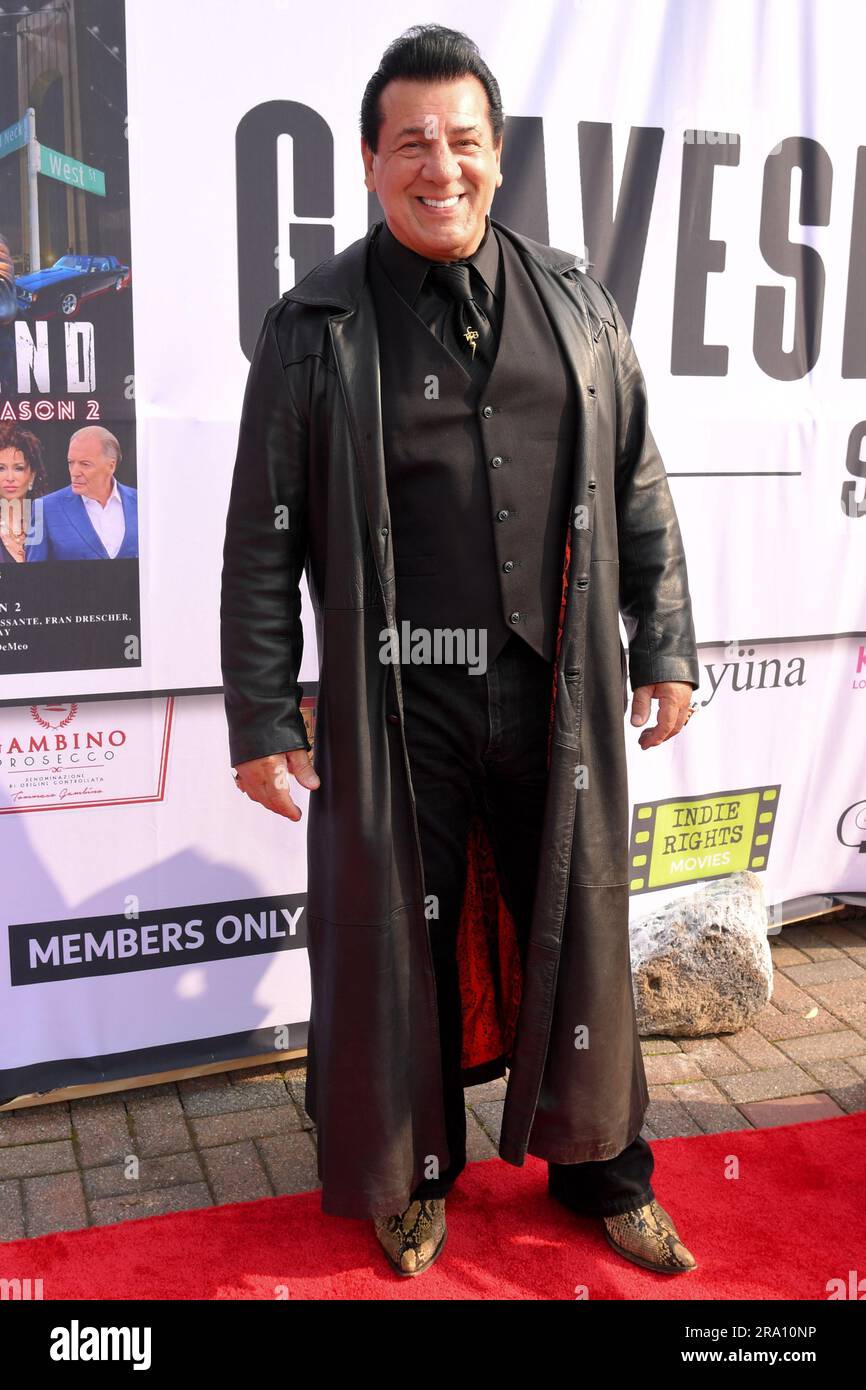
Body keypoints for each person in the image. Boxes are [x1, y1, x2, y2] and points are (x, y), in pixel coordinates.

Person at [221, 24, 701, 1280]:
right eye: (413, 143)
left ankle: (605, 1169)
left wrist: (666, 641)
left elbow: (637, 481)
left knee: (582, 927)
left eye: (465, 140)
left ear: (496, 155)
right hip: (393, 701)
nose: (443, 166)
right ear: (371, 162)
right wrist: (265, 716)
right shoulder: (312, 325)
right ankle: (412, 1181)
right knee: (401, 945)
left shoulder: (577, 302)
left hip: (555, 687)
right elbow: (261, 540)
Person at [26, 425, 138, 561]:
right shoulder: (42, 508)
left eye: (85, 464)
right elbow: (33, 574)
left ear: (111, 466)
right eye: (71, 462)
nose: (74, 472)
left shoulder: (142, 503)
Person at [0, 423, 49, 562]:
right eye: (1, 468)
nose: (10, 478)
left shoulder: (49, 522)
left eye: (18, 468)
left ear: (32, 476)